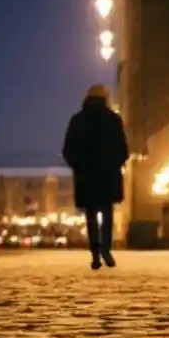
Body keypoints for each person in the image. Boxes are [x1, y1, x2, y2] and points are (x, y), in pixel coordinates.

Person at [62, 84, 129, 270]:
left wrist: (77, 165)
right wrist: (116, 163)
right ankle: (106, 249)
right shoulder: (113, 119)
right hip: (107, 174)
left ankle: (95, 255)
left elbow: (68, 148)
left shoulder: (78, 120)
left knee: (91, 215)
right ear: (105, 98)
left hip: (86, 175)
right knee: (107, 213)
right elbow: (123, 148)